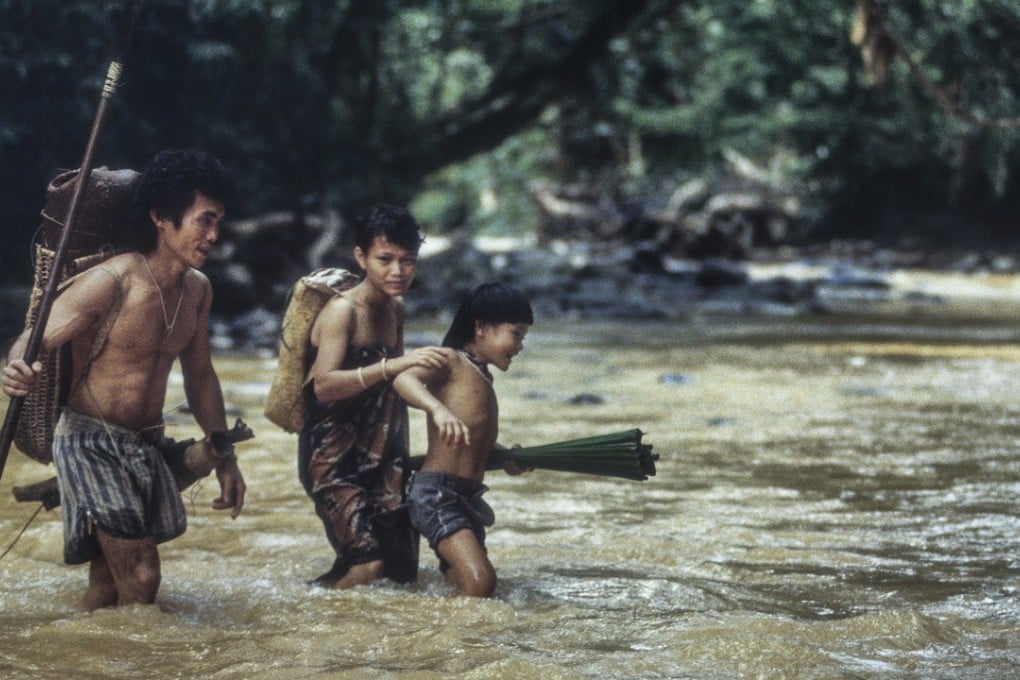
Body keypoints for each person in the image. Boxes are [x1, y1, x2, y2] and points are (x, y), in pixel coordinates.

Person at [1, 148, 246, 609]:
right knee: (141, 573)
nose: (214, 236)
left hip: (145, 444)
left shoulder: (197, 290)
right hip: (89, 444)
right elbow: (35, 337)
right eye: (204, 221)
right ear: (160, 217)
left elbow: (201, 376)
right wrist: (15, 367)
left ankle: (79, 658)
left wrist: (225, 456)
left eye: (219, 223)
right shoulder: (114, 281)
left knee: (110, 585)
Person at [298, 205, 449, 588]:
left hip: (384, 452)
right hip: (332, 455)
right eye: (385, 259)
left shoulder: (395, 308)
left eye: (407, 261)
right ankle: (310, 623)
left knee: (399, 575)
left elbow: (397, 384)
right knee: (368, 565)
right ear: (361, 257)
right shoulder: (342, 312)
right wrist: (393, 366)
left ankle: (316, 602)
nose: (397, 272)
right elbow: (324, 385)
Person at [393, 282, 533, 597]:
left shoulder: (484, 375)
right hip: (437, 494)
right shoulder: (451, 361)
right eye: (516, 334)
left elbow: (473, 439)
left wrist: (505, 457)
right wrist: (436, 409)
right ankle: (423, 639)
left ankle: (450, 636)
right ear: (481, 327)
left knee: (465, 583)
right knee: (481, 582)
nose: (520, 345)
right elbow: (403, 378)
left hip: (467, 498)